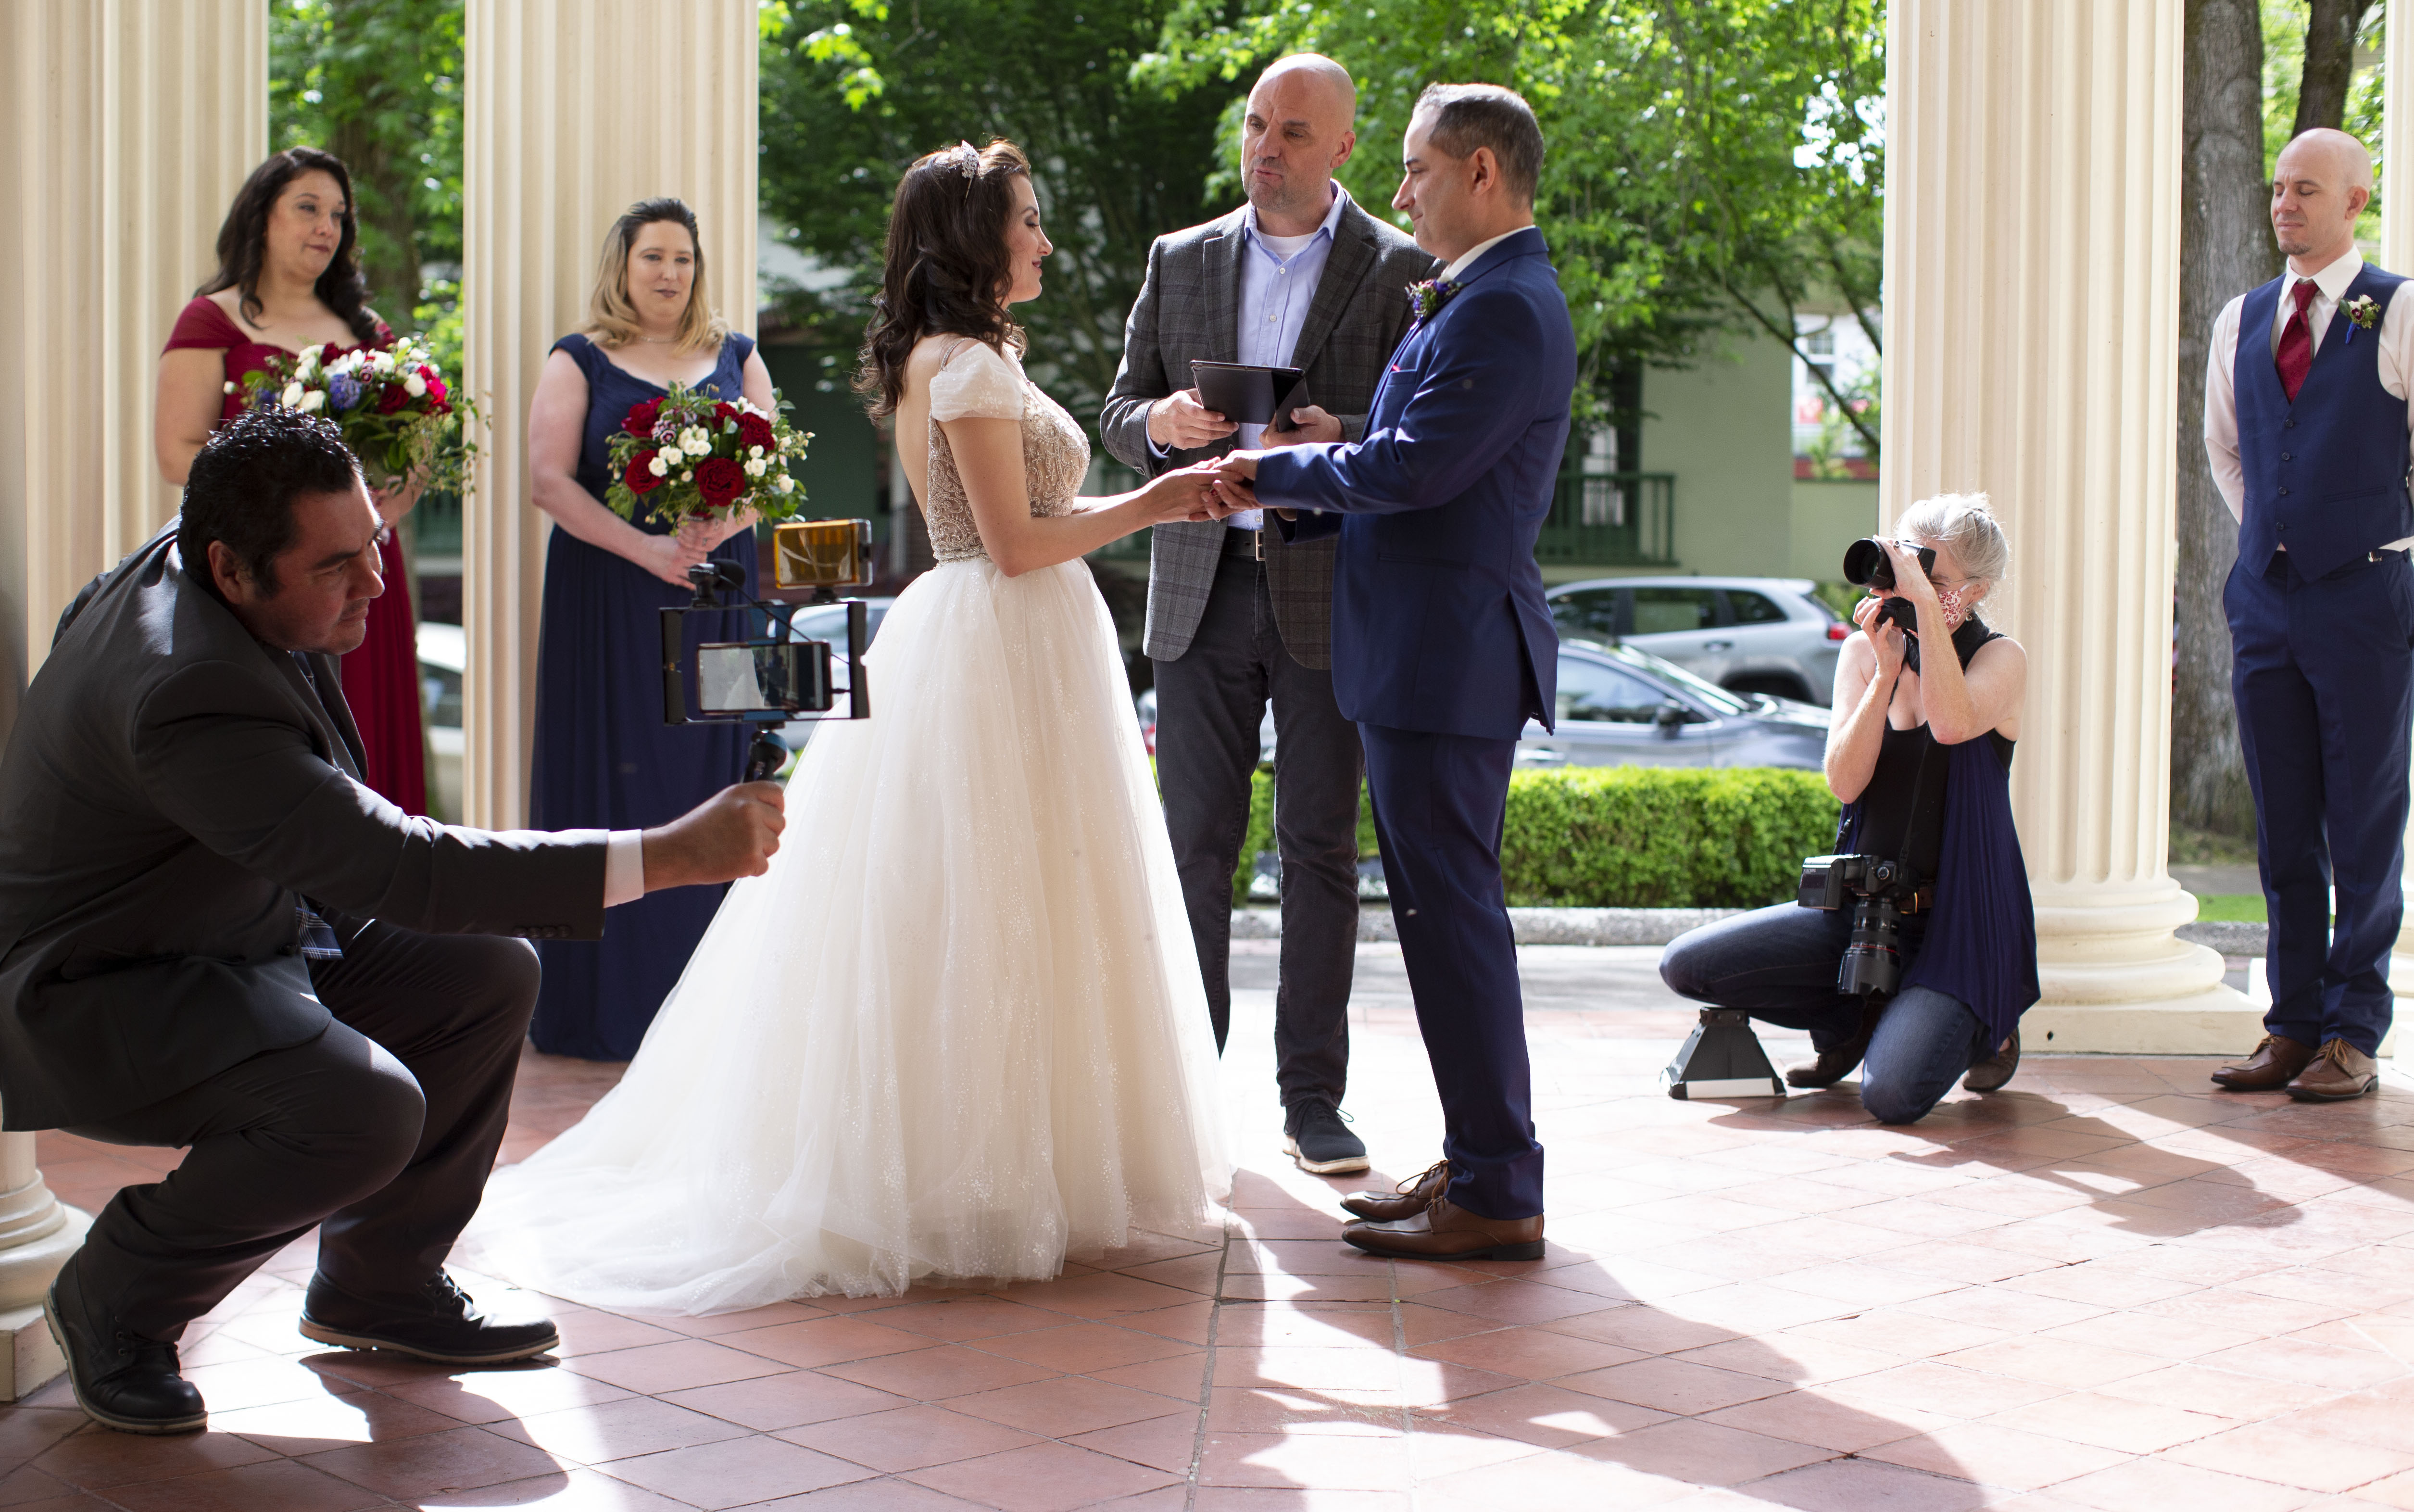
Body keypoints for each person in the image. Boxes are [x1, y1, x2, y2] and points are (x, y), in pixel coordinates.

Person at [462, 140, 1230, 1311]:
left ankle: (1043, 1162)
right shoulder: (962, 364)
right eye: (1025, 221)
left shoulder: (979, 354)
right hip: (996, 633)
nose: (1041, 241)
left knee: (1038, 896)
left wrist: (1146, 492)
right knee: (974, 900)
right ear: (975, 239)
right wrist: (1162, 500)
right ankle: (958, 1169)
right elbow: (1013, 541)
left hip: (1028, 643)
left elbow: (1027, 520)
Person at [0, 406, 784, 1434]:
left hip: (228, 930)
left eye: (373, 542)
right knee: (361, 1108)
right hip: (93, 994)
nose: (374, 580)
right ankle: (116, 1298)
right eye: (336, 566)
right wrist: (672, 854)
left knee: (485, 972)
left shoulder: (196, 561)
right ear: (234, 569)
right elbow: (400, 868)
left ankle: (379, 1285)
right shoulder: (186, 689)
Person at [1205, 85, 1572, 1262]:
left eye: (1415, 170)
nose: (1399, 191)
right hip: (1420, 654)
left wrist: (1274, 477)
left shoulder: (1506, 306)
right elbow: (1414, 460)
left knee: (1454, 924)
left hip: (1445, 660)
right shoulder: (1477, 297)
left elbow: (1414, 473)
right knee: (1435, 922)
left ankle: (1500, 1187)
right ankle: (1479, 1161)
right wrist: (1331, 450)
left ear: (1478, 172)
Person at [1100, 55, 1436, 1177]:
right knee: (1192, 851)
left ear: (1343, 147)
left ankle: (1311, 1101)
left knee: (1319, 852)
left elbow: (1414, 440)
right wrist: (1167, 424)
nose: (1266, 148)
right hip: (1198, 588)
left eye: (1293, 132)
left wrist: (1335, 442)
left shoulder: (1403, 272)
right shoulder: (1180, 256)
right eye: (1255, 126)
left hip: (1328, 588)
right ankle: (1188, 1100)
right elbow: (1115, 414)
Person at [1657, 496, 2037, 1123]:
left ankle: (1987, 1022)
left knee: (1891, 1098)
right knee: (1687, 965)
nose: (1908, 587)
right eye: (1902, 566)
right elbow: (1844, 782)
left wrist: (1928, 630)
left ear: (1973, 591)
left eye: (1931, 579)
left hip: (1958, 925)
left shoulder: (2001, 658)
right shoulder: (1865, 654)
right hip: (1861, 915)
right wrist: (1885, 673)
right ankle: (1857, 1017)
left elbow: (1951, 724)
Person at [524, 198, 771, 1059]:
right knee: (614, 778)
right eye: (652, 258)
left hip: (720, 596)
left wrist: (710, 533)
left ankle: (713, 1013)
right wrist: (647, 549)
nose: (669, 273)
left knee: (720, 764)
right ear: (621, 269)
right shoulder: (580, 359)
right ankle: (602, 1012)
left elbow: (770, 473)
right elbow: (549, 482)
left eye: (682, 259)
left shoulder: (737, 356)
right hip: (608, 602)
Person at [2203, 127, 2413, 1102]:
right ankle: (2289, 1025)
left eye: (2305, 190)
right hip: (2265, 598)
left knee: (2364, 819)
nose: (2283, 204)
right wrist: (2275, 537)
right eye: (2277, 188)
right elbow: (2227, 451)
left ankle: (2352, 1034)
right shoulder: (2239, 318)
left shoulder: (2398, 309)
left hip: (2364, 594)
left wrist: (2367, 547)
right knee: (2282, 825)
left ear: (2353, 203)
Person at [155, 146, 428, 815]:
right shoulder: (212, 320)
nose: (326, 227)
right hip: (269, 572)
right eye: (307, 208)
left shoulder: (369, 331)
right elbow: (175, 451)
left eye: (338, 215)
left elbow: (419, 448)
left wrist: (390, 502)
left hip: (366, 571)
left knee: (369, 744)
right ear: (261, 217)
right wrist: (284, 499)